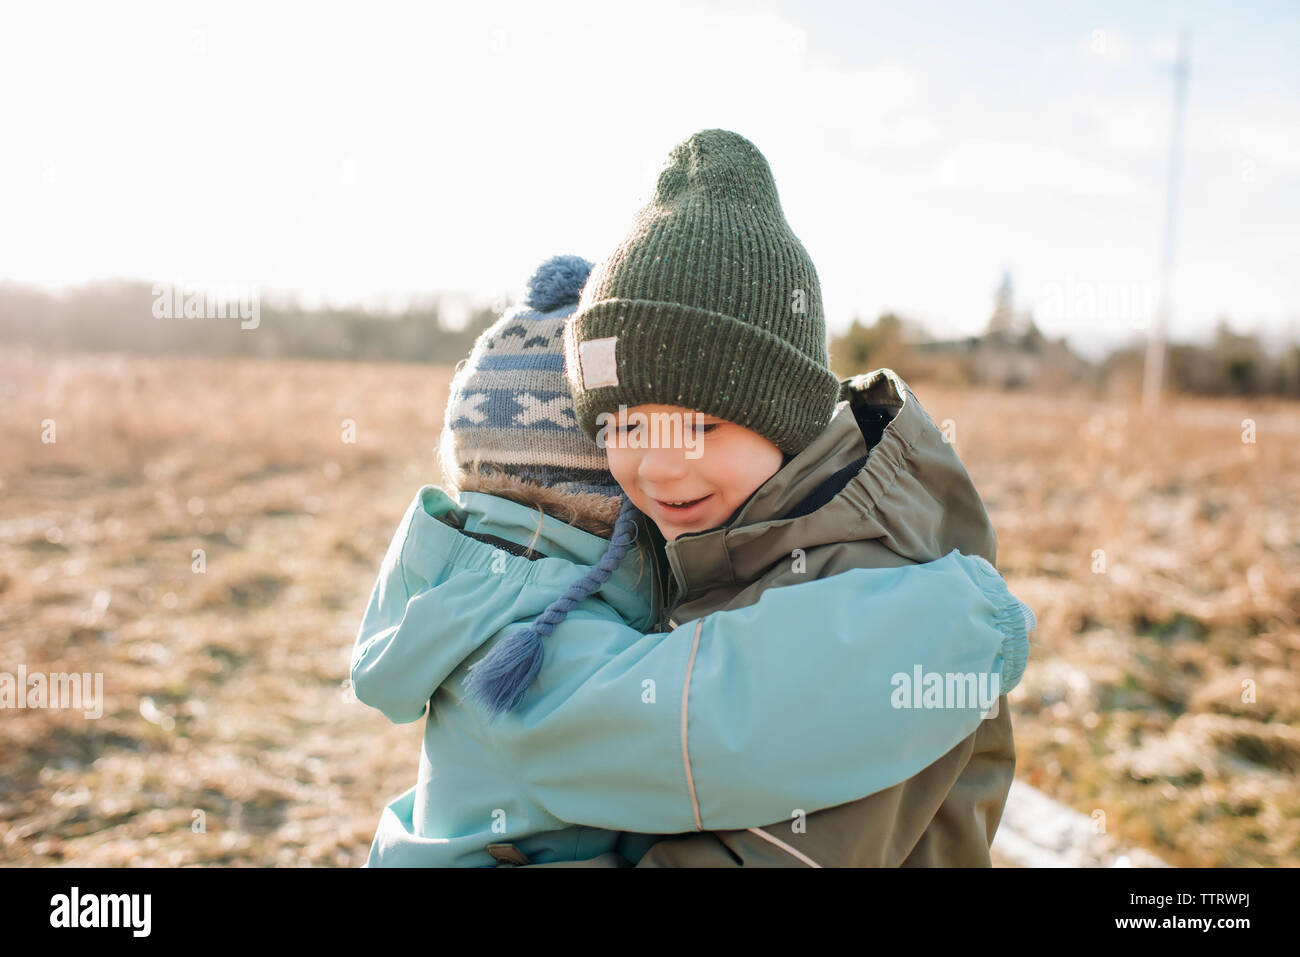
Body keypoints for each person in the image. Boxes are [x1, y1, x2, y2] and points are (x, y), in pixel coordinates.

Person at [351, 250, 1032, 867]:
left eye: (699, 428)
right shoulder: (528, 651)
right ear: (593, 493)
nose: (662, 470)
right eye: (626, 433)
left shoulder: (475, 595)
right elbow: (721, 717)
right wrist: (956, 624)